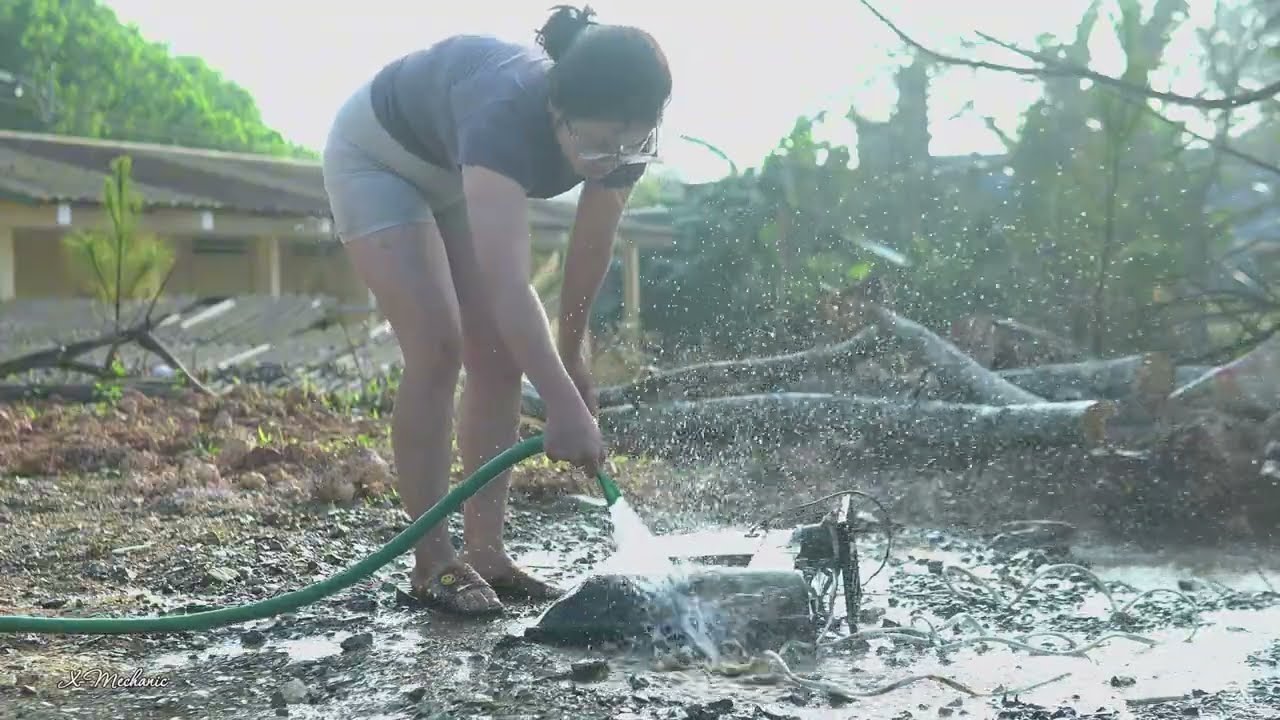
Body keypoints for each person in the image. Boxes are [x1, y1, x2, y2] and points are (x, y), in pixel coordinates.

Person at [320, 5, 671, 617]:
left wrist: (572, 358)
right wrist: (561, 404)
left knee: (499, 357)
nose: (613, 161)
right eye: (595, 146)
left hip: (452, 168)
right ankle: (432, 560)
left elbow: (590, 247)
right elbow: (509, 282)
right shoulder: (505, 115)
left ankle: (486, 552)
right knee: (437, 347)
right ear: (556, 114)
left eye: (630, 146)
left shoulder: (625, 133)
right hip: (377, 159)